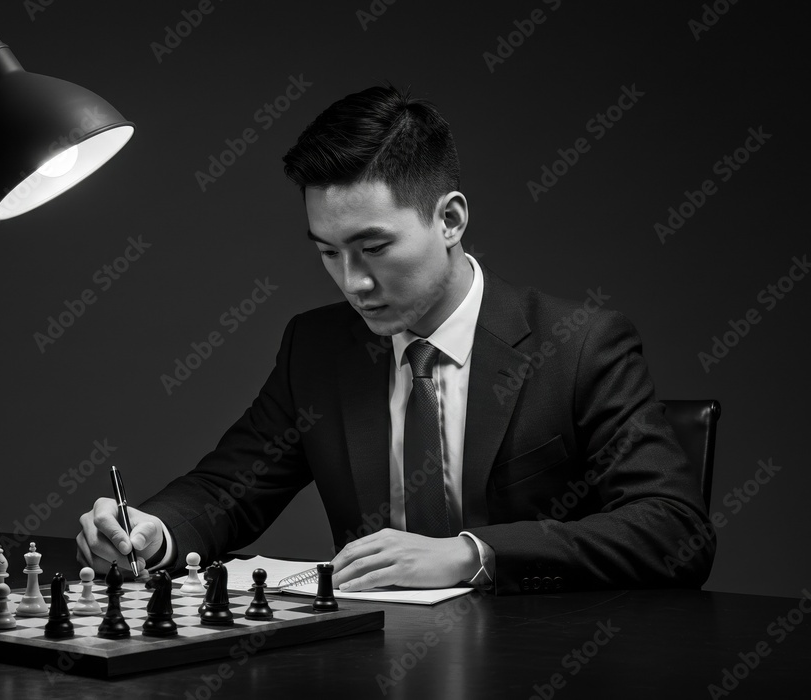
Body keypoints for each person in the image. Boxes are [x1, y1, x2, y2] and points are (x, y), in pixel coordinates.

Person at [76, 84, 715, 595]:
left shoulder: (580, 346)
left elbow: (673, 529)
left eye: (373, 247)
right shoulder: (318, 347)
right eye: (328, 252)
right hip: (370, 664)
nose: (353, 282)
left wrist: (472, 555)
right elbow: (226, 491)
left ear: (451, 220)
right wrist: (153, 533)